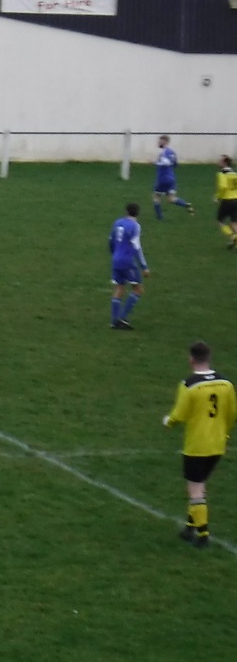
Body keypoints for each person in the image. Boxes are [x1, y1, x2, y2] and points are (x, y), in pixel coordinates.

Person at [163, 341, 235, 549]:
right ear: (209, 357)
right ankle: (188, 527)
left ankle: (202, 534)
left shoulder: (189, 384)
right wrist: (225, 432)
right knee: (200, 483)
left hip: (197, 445)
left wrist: (168, 422)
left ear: (191, 359)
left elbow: (179, 414)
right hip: (218, 444)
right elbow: (232, 414)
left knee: (195, 489)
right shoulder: (226, 383)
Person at [109, 202, 149, 330]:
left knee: (119, 288)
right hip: (127, 261)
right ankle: (122, 318)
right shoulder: (135, 226)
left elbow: (110, 240)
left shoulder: (117, 223)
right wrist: (144, 266)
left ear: (126, 212)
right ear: (138, 213)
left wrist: (114, 254)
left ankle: (114, 321)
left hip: (116, 259)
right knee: (138, 289)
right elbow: (137, 247)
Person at [152, 136, 193, 219]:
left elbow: (166, 163)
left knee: (156, 196)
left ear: (166, 142)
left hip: (163, 178)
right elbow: (175, 164)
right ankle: (187, 205)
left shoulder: (164, 152)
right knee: (171, 199)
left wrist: (156, 163)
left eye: (160, 141)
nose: (159, 143)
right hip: (171, 178)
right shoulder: (172, 152)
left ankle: (160, 217)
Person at [216, 155, 237, 248]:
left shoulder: (222, 174)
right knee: (234, 223)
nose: (218, 162)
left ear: (224, 162)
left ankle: (234, 237)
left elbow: (223, 187)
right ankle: (234, 243)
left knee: (220, 221)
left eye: (219, 161)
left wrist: (217, 197)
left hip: (227, 200)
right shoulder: (234, 173)